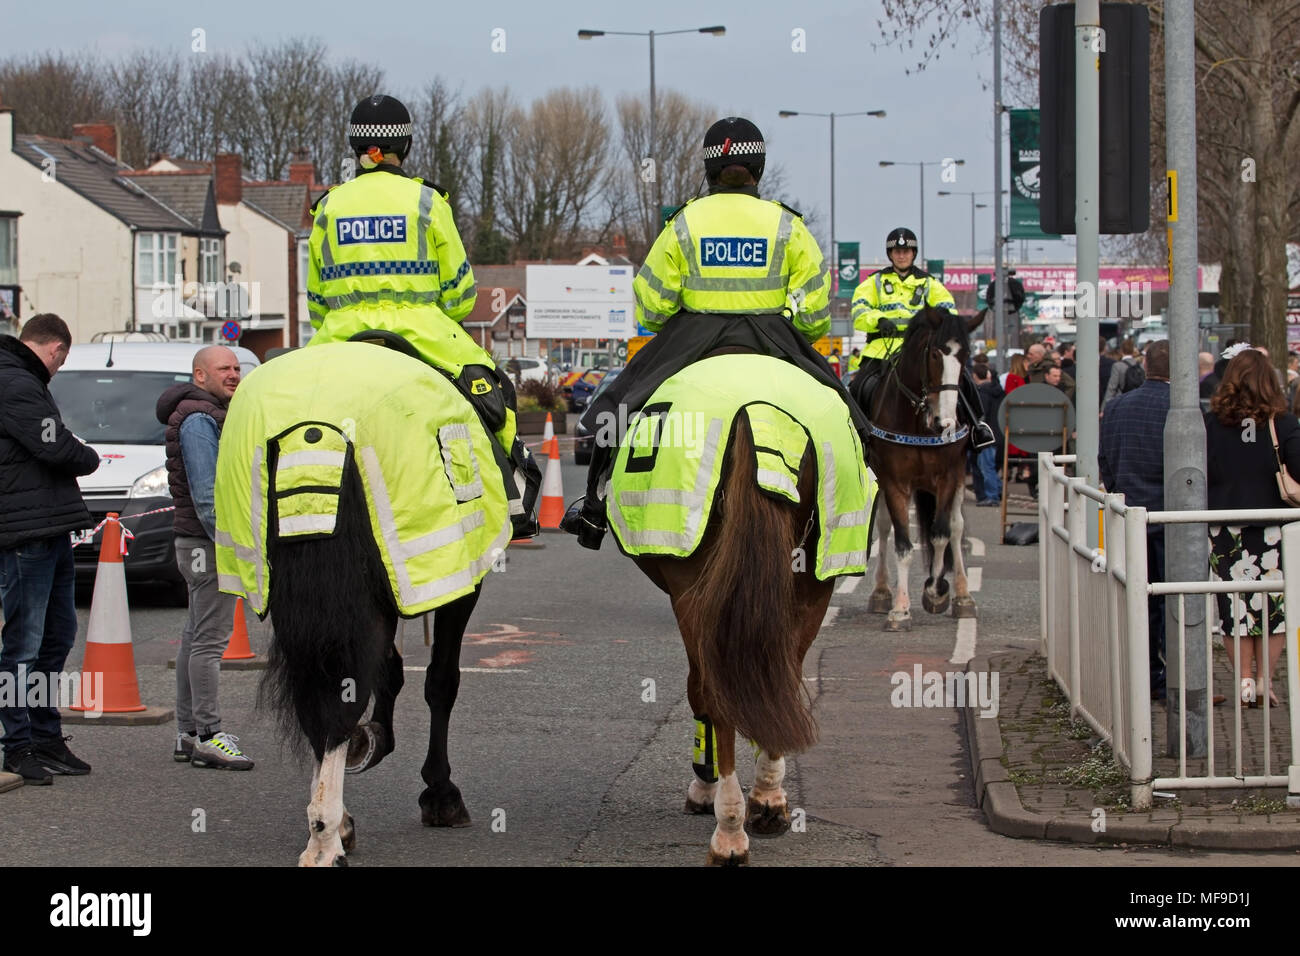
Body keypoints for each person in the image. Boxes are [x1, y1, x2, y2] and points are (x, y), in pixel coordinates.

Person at [561, 116, 865, 549]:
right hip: (773, 334)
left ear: (709, 172)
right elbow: (816, 315)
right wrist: (785, 314)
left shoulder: (683, 224)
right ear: (758, 170)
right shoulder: (787, 226)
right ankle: (861, 484)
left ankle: (592, 508)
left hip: (692, 337)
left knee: (619, 406)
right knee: (847, 412)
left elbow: (651, 307)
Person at [307, 94, 541, 538]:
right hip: (423, 333)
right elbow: (460, 298)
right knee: (495, 399)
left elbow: (317, 302)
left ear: (356, 148)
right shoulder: (428, 202)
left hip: (340, 335)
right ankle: (514, 505)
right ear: (406, 146)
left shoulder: (328, 208)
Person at [0, 314, 101, 785]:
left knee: (57, 636)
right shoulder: (14, 380)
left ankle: (45, 737)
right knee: (23, 645)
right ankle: (16, 746)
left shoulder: (21, 377)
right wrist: (87, 455)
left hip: (48, 527)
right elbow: (54, 446)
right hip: (26, 534)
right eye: (64, 358)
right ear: (57, 348)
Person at [156, 346, 254, 770]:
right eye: (223, 369)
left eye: (236, 368)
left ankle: (188, 733)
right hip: (206, 544)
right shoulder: (199, 419)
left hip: (196, 542)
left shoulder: (207, 412)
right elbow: (206, 494)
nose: (233, 375)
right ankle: (210, 735)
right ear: (199, 375)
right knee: (210, 641)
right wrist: (230, 544)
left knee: (195, 636)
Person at [1205, 345, 1300, 708]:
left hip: (1224, 526)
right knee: (1273, 606)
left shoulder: (1209, 423)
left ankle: (1243, 680)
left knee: (1234, 606)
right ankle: (1264, 681)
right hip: (1272, 525)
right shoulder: (1283, 422)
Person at [849, 227, 996, 449]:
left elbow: (949, 312)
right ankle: (855, 435)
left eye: (906, 251)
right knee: (860, 386)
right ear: (890, 255)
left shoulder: (930, 284)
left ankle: (978, 428)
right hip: (882, 348)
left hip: (922, 348)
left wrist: (939, 325)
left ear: (913, 253)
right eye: (897, 251)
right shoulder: (874, 282)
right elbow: (859, 311)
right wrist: (878, 319)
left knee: (962, 379)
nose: (901, 255)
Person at [1098, 339, 1171, 700]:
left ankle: (1147, 676)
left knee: (1141, 601)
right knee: (1176, 600)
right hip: (1173, 520)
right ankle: (1178, 677)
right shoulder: (1183, 409)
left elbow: (1105, 459)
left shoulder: (1117, 408)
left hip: (1131, 516)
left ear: (1145, 364)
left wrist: (1120, 494)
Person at [972, 363, 1004, 506]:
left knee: (986, 466)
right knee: (988, 465)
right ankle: (998, 490)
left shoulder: (982, 393)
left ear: (974, 376)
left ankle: (992, 496)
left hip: (986, 435)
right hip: (998, 432)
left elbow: (980, 414)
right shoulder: (998, 391)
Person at [1103, 337, 1142, 408]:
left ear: (1121, 350)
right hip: (1137, 401)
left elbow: (1111, 388)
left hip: (1121, 401)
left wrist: (1104, 408)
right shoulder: (1140, 365)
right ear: (1133, 350)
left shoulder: (1117, 366)